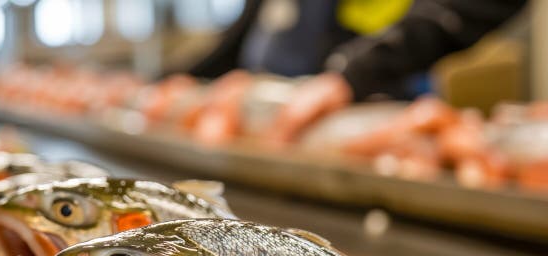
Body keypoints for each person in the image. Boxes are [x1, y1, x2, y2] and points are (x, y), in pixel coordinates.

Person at [187, 0, 527, 142]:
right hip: (274, 118)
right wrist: (186, 76)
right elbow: (247, 29)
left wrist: (353, 75)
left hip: (378, 114)